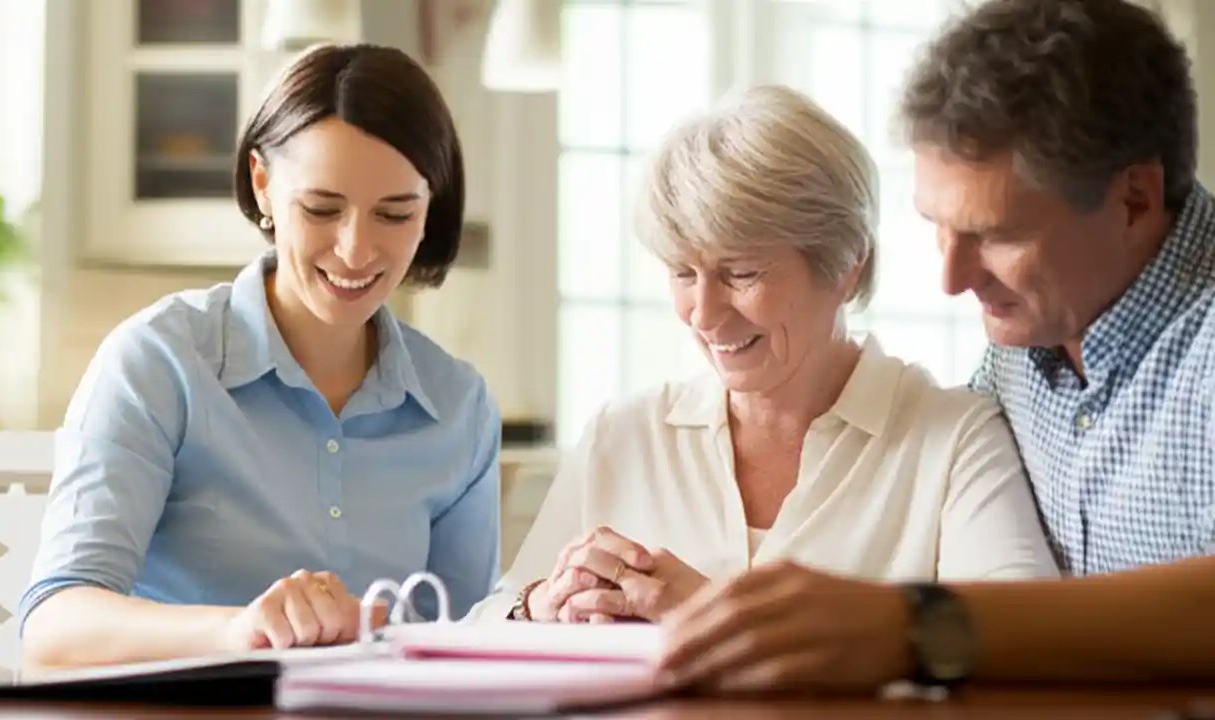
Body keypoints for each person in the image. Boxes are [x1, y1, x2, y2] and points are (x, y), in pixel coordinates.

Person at [656, 0, 1215, 692]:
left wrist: (915, 625)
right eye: (939, 227)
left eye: (996, 234)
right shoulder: (1017, 355)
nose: (952, 279)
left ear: (1133, 200)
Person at [468, 84, 1057, 625]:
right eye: (682, 273)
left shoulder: (953, 440)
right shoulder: (622, 436)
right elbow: (479, 633)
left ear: (848, 264)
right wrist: (538, 603)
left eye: (741, 274)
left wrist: (713, 612)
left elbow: (1020, 640)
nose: (703, 313)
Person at [20, 44, 501, 669]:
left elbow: (463, 647)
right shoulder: (161, 362)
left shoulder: (458, 406)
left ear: (429, 207)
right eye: (321, 208)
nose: (356, 250)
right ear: (263, 184)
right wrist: (239, 631)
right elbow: (54, 627)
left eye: (394, 213)